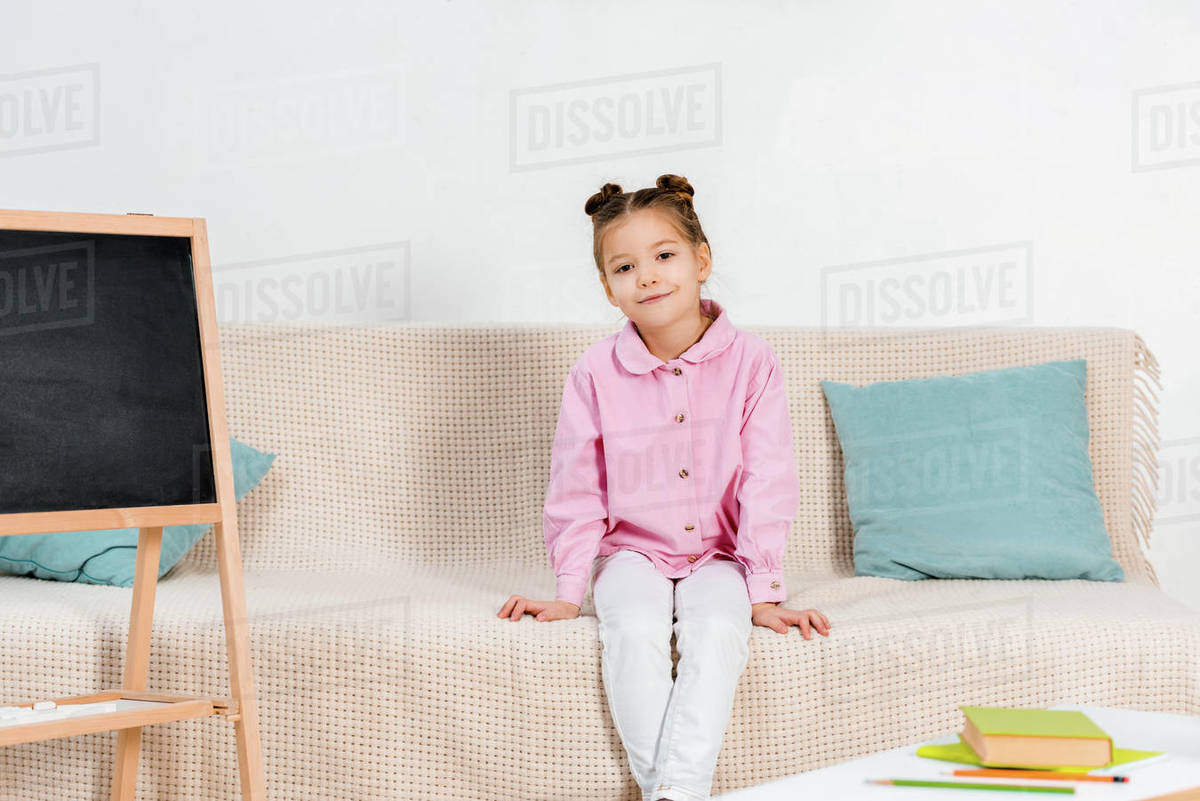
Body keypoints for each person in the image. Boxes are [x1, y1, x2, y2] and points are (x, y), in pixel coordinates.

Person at [497, 174, 831, 801]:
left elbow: (768, 478)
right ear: (608, 288)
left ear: (702, 261)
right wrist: (570, 589)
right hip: (631, 552)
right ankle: (677, 793)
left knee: (714, 631)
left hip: (721, 556)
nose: (647, 276)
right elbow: (576, 487)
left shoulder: (753, 361)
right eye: (625, 266)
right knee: (630, 629)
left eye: (664, 256)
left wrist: (762, 589)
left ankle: (669, 792)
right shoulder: (594, 373)